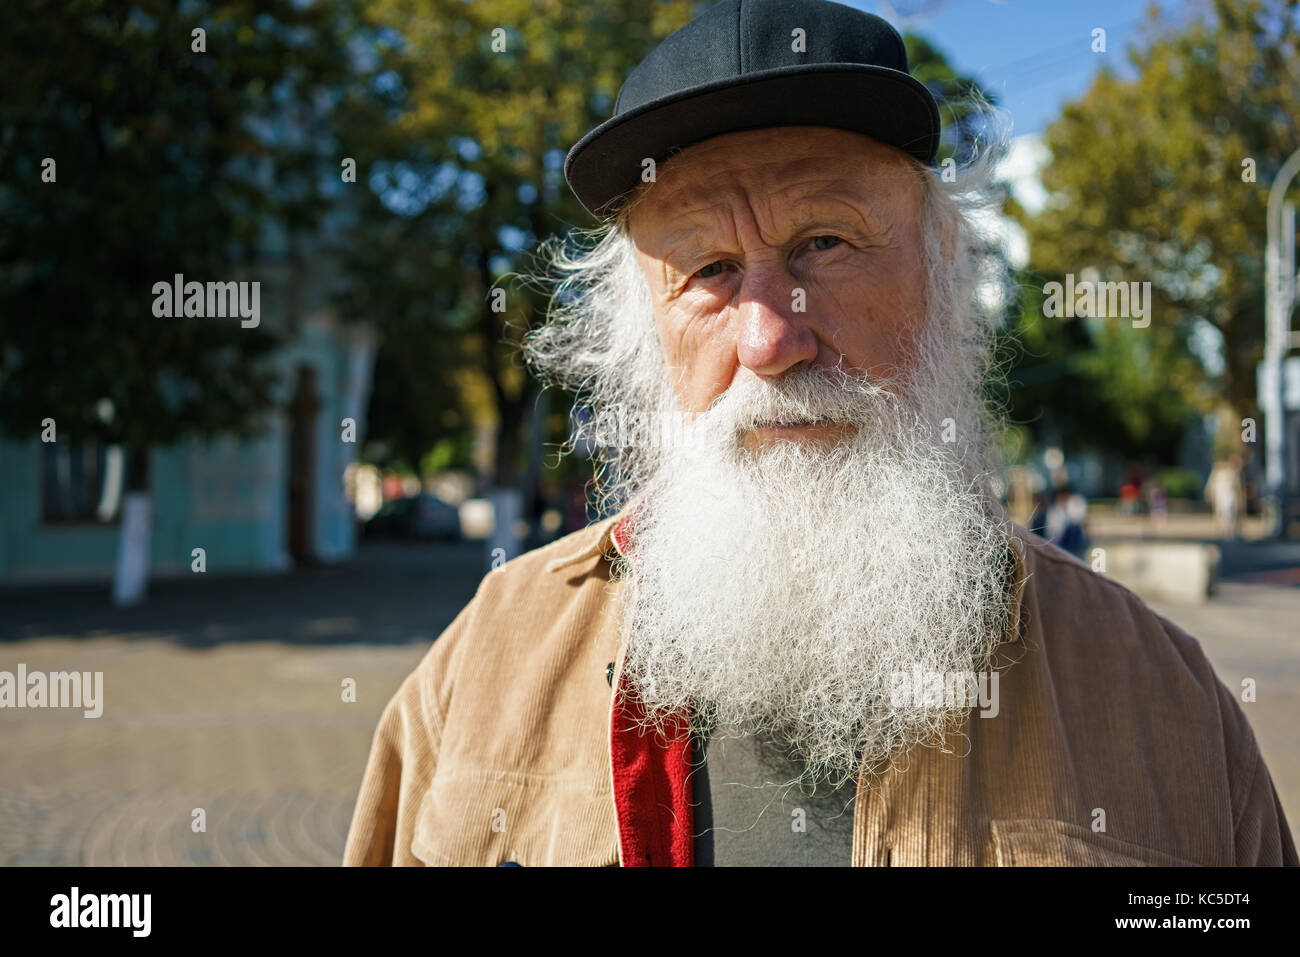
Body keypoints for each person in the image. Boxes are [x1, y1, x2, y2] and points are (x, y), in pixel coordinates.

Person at [344, 0, 1295, 866]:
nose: (769, 340)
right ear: (645, 331)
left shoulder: (1160, 701)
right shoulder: (483, 662)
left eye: (824, 245)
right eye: (710, 269)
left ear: (944, 273)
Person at [1205, 455, 1245, 539]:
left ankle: (1230, 532)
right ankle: (1226, 532)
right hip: (1224, 497)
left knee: (1229, 515)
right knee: (1223, 515)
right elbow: (1212, 485)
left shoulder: (1234, 474)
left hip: (1228, 498)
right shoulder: (1221, 473)